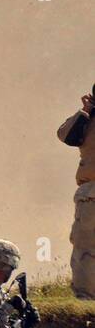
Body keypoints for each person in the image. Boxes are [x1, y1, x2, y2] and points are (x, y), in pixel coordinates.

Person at [58, 89, 95, 298]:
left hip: (90, 194)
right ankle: (87, 298)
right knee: (87, 248)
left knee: (86, 249)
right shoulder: (87, 120)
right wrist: (86, 111)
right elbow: (66, 135)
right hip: (90, 194)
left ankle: (86, 297)